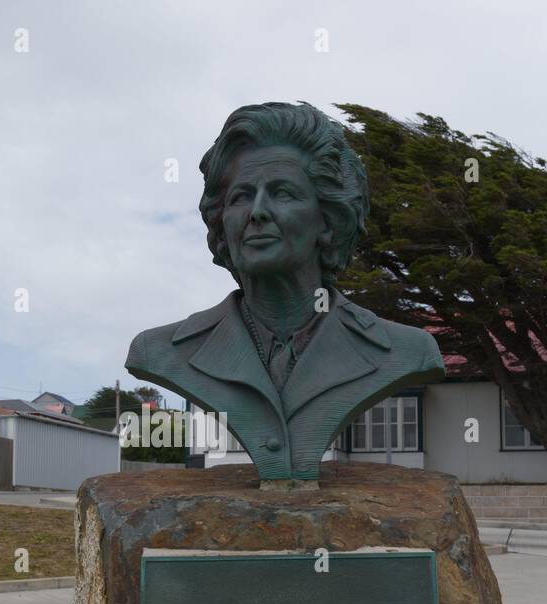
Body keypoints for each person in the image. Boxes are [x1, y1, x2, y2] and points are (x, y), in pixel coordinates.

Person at [126, 102, 444, 482]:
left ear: (328, 221)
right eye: (240, 197)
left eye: (283, 193)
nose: (257, 211)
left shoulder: (407, 351)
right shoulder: (160, 351)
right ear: (221, 223)